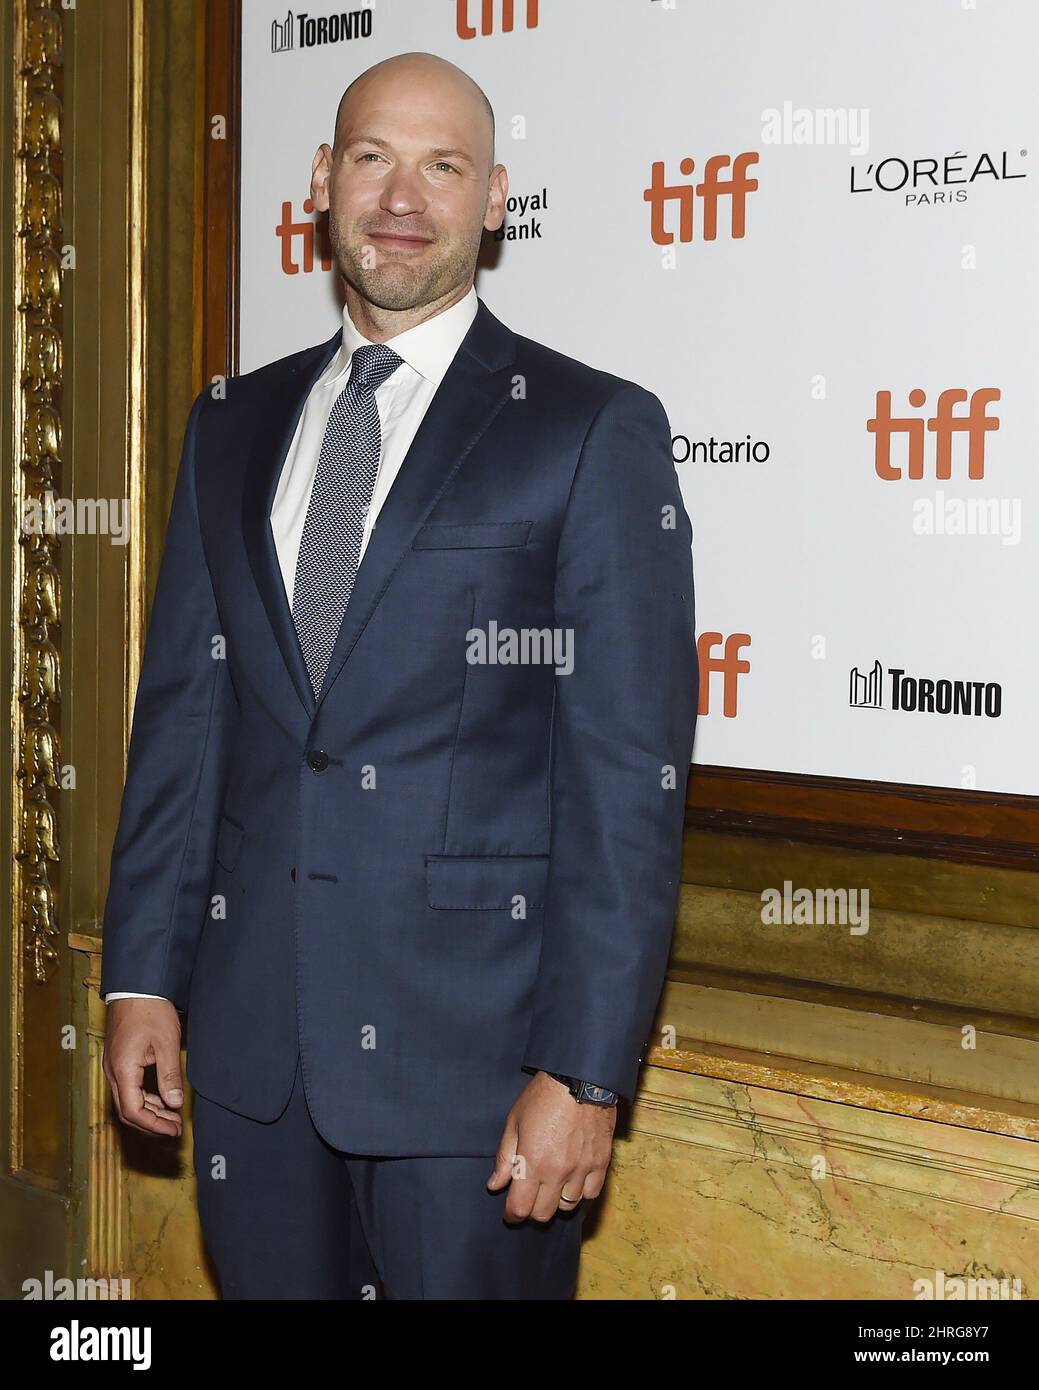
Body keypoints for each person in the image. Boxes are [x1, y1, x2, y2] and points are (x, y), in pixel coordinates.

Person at [101, 51, 697, 1300]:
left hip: (477, 1081)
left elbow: (620, 788)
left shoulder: (587, 428)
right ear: (322, 180)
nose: (403, 198)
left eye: (444, 166)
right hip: (254, 1057)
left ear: (494, 201)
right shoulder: (229, 424)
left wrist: (584, 1074)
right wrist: (146, 972)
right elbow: (186, 727)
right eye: (372, 157)